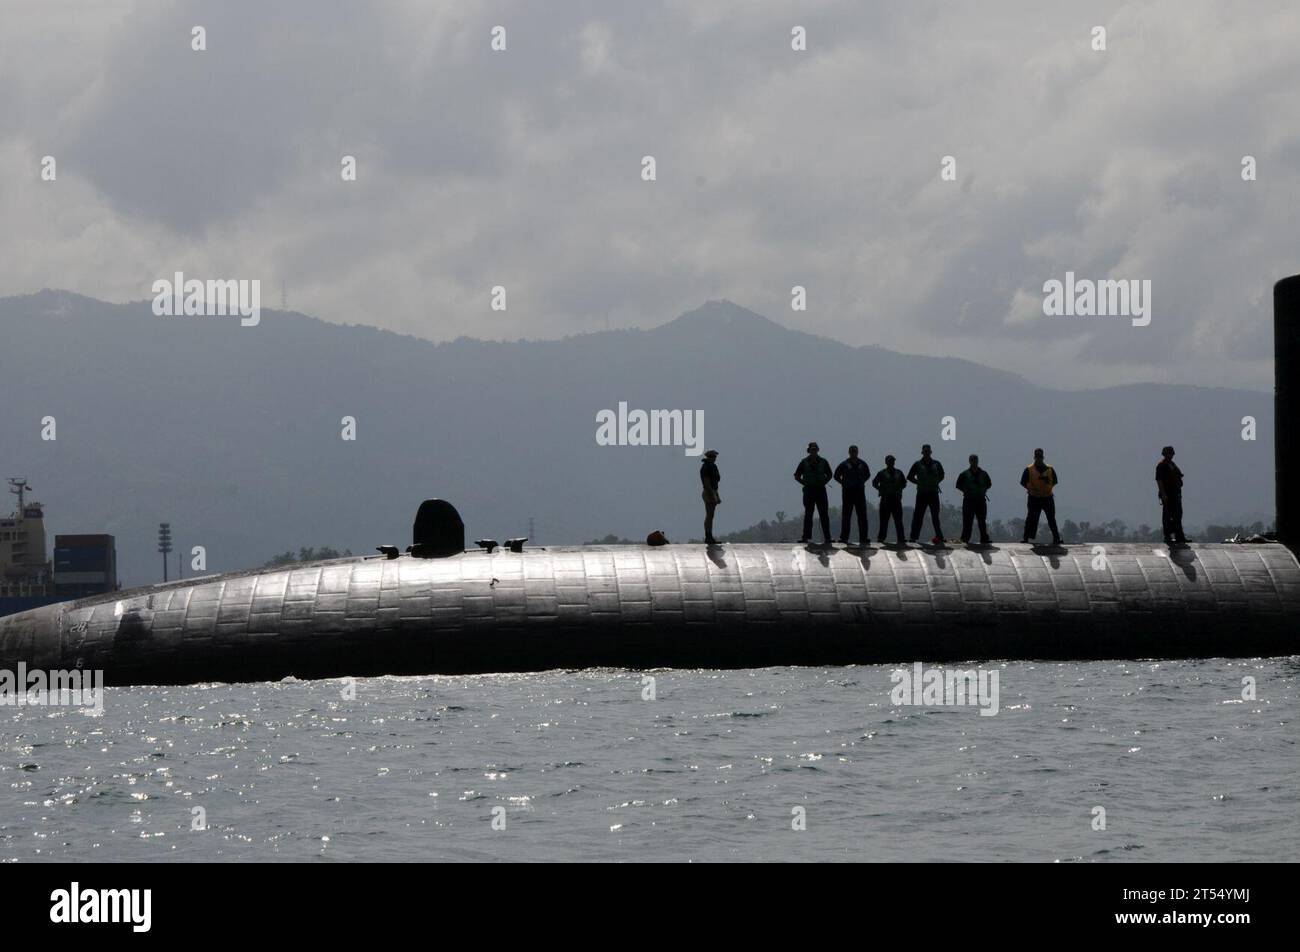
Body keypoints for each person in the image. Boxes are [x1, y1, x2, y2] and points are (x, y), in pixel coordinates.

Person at [1020, 448, 1062, 545]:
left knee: (1051, 518)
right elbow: (1023, 482)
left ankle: (1056, 538)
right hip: (1034, 498)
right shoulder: (1029, 469)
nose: (1038, 459)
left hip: (1047, 497)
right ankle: (1026, 538)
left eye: (1040, 457)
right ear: (1034, 458)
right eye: (1037, 458)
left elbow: (1055, 481)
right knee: (1031, 518)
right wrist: (1030, 488)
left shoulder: (1050, 469)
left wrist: (1047, 485)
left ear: (1043, 458)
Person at [794, 442, 833, 545]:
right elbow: (797, 476)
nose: (814, 451)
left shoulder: (823, 462)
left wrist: (824, 482)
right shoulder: (804, 462)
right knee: (808, 514)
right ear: (809, 451)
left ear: (818, 450)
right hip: (809, 490)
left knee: (824, 514)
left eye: (815, 449)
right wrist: (805, 483)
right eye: (812, 449)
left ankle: (827, 537)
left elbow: (830, 474)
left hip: (820, 490)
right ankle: (806, 537)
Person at [907, 444, 946, 544]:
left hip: (933, 493)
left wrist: (936, 481)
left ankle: (939, 536)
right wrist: (918, 482)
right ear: (922, 453)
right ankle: (913, 537)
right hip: (922, 493)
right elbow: (910, 476)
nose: (927, 453)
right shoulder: (917, 464)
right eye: (925, 452)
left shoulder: (937, 464)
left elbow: (942, 475)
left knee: (935, 516)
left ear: (931, 452)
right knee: (918, 516)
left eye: (928, 451)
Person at [834, 445, 871, 545]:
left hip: (859, 492)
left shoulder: (862, 464)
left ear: (857, 452)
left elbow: (867, 475)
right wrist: (843, 483)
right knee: (846, 515)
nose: (853, 453)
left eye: (855, 451)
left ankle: (864, 537)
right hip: (848, 492)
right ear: (849, 452)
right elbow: (836, 475)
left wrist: (861, 482)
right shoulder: (844, 464)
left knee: (862, 516)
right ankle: (844, 537)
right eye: (852, 451)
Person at [955, 454, 992, 545]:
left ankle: (984, 538)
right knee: (968, 521)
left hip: (980, 500)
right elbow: (958, 485)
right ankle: (965, 538)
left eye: (975, 460)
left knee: (982, 520)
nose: (974, 462)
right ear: (970, 461)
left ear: (977, 461)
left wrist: (983, 490)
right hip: (969, 500)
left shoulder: (983, 473)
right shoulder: (964, 474)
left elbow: (989, 484)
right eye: (972, 460)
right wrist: (965, 490)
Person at [1155, 446, 1188, 546]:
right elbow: (1159, 480)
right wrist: (1163, 494)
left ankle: (1179, 536)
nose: (1171, 455)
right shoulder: (1161, 465)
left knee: (1178, 514)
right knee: (1167, 515)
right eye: (1169, 453)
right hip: (1168, 494)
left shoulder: (1172, 464)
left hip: (1175, 493)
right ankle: (1168, 536)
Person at [873, 455, 908, 544]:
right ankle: (881, 538)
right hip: (885, 499)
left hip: (896, 499)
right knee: (884, 520)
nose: (891, 463)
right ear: (886, 462)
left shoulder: (899, 473)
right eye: (890, 461)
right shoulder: (881, 473)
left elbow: (904, 483)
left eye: (892, 461)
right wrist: (880, 489)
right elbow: (874, 483)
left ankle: (901, 538)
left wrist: (898, 489)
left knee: (898, 520)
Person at [700, 449, 721, 545]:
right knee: (709, 515)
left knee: (711, 516)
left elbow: (715, 483)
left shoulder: (713, 466)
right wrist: (713, 495)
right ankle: (708, 536)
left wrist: (717, 495)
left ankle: (709, 536)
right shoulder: (706, 467)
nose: (715, 458)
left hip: (713, 492)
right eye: (713, 456)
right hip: (708, 493)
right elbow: (707, 483)